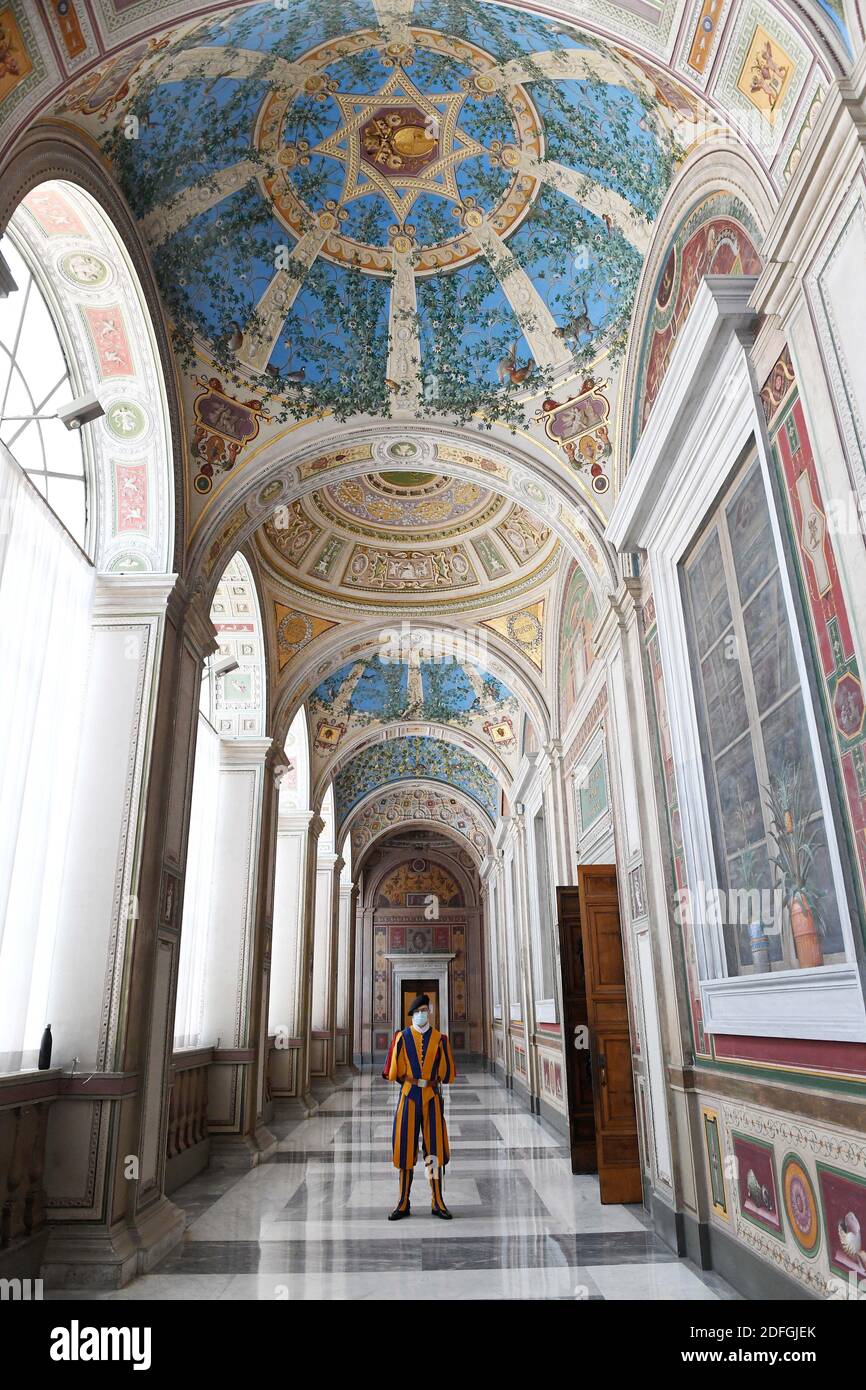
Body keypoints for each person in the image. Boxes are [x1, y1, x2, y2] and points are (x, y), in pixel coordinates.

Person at [384, 993, 456, 1220]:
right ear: (412, 1015)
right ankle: (403, 1201)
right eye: (417, 1012)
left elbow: (446, 1074)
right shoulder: (402, 1038)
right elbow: (393, 1071)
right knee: (405, 1149)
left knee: (434, 1150)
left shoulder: (440, 1039)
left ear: (429, 1012)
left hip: (432, 1097)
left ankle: (438, 1200)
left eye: (424, 1010)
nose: (421, 1014)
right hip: (408, 1095)